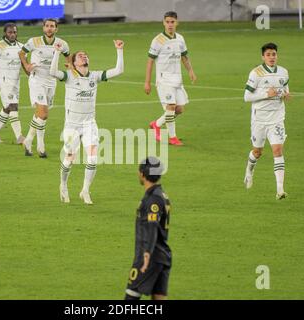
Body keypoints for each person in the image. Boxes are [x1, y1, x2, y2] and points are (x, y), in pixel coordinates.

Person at [50, 40, 124, 204]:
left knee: (92, 158)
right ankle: (63, 185)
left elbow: (119, 70)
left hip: (89, 124)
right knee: (70, 157)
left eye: (86, 55)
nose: (84, 57)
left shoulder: (95, 76)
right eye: (80, 56)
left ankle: (85, 190)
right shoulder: (69, 76)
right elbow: (53, 72)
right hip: (72, 125)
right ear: (74, 63)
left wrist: (119, 50)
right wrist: (56, 52)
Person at [243, 42, 290, 200]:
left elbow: (285, 90)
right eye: (268, 55)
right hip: (259, 119)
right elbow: (247, 97)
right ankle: (249, 171)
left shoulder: (283, 72)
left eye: (274, 54)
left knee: (277, 150)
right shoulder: (256, 73)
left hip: (277, 118)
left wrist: (285, 95)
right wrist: (266, 94)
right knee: (257, 152)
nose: (271, 57)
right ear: (263, 57)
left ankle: (280, 190)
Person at [19, 18, 70, 158]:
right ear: (43, 28)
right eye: (47, 26)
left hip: (51, 81)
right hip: (37, 80)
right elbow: (21, 53)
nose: (49, 28)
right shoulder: (34, 41)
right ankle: (41, 146)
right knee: (43, 114)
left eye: (52, 26)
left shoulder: (62, 44)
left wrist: (68, 66)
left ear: (56, 29)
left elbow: (68, 57)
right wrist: (27, 65)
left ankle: (28, 141)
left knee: (40, 114)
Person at [145, 11, 197, 146]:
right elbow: (150, 61)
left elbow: (184, 57)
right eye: (167, 22)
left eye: (172, 22)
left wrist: (190, 71)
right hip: (164, 80)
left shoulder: (180, 38)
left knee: (179, 109)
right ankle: (173, 138)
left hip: (177, 80)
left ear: (177, 23)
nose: (170, 25)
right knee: (171, 106)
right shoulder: (158, 40)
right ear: (163, 23)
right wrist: (147, 82)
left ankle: (156, 124)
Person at [124, 157, 171, 300]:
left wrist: (146, 255)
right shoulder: (162, 195)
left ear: (143, 174)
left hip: (149, 257)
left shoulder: (153, 200)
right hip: (163, 256)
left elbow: (152, 227)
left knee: (130, 299)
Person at [0, 22, 25, 144]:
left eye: (14, 32)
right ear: (5, 33)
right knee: (13, 107)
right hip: (4, 82)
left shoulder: (22, 47)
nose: (13, 34)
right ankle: (20, 137)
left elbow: (25, 65)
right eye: (10, 32)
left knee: (7, 108)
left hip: (16, 83)